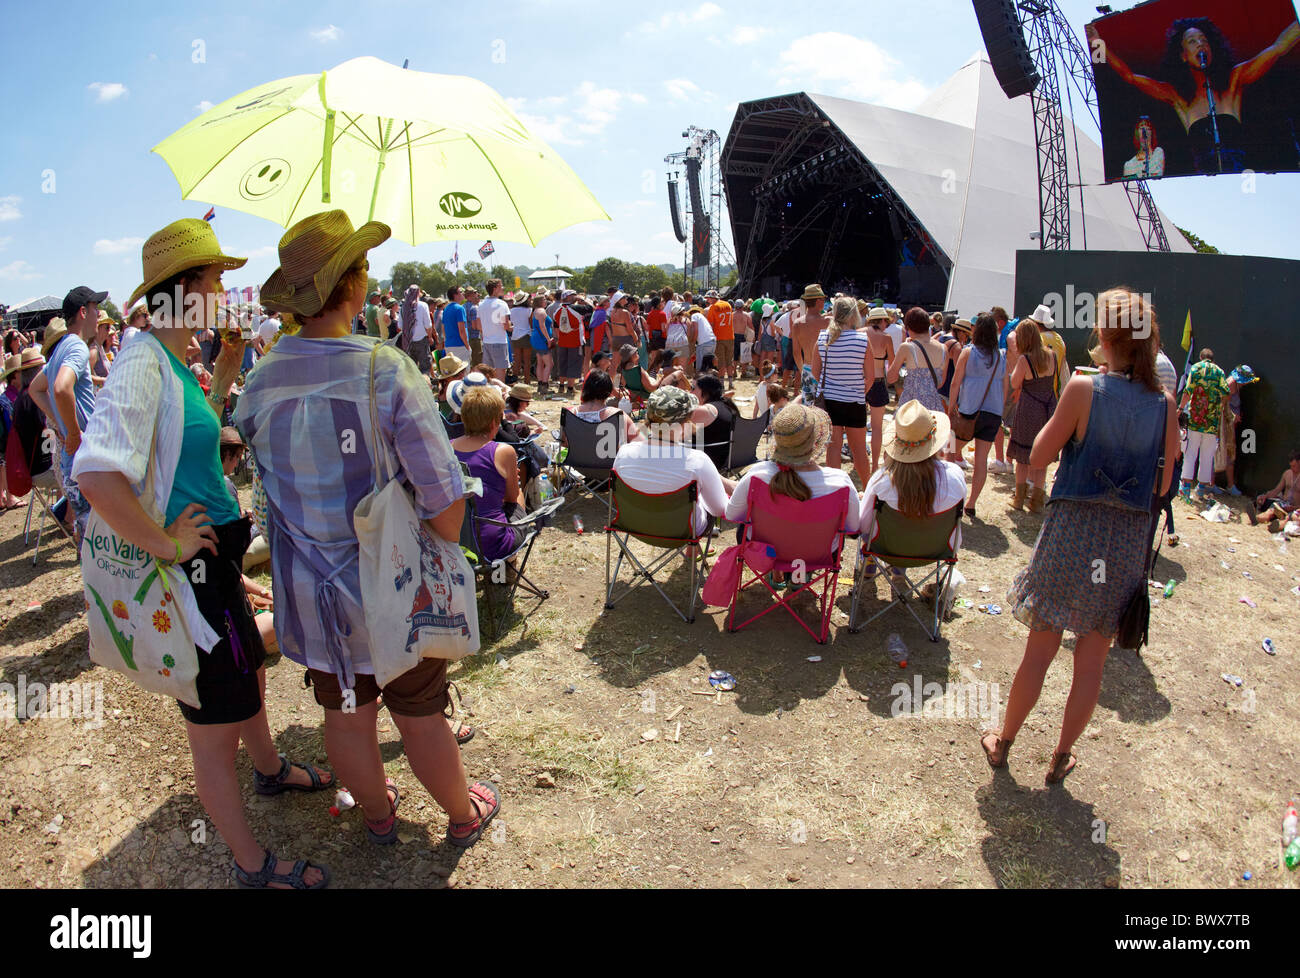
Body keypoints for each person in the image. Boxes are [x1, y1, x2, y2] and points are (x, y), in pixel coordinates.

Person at [74, 218, 335, 889]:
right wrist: (167, 543)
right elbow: (96, 472)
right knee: (214, 728)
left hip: (214, 567)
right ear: (185, 288)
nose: (224, 290)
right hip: (187, 573)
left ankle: (272, 771)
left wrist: (221, 372)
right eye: (216, 279)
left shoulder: (168, 359)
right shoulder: (138, 361)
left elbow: (189, 444)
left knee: (246, 676)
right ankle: (253, 865)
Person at [235, 209, 500, 852]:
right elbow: (444, 499)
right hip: (390, 582)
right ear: (353, 287)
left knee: (344, 712)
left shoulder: (258, 382)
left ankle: (378, 816)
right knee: (419, 708)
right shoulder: (385, 368)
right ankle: (462, 814)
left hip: (311, 595)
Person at [987, 288, 1178, 785]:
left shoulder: (1085, 389)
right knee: (1090, 664)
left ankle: (1004, 741)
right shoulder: (1165, 405)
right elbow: (1162, 485)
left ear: (1105, 338)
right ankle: (1060, 757)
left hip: (1071, 534)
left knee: (1039, 652)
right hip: (1124, 546)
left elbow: (1039, 455)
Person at [1087, 18, 1300, 174]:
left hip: (1240, 175)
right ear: (1182, 56)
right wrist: (1097, 42)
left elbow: (1279, 48)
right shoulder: (1178, 96)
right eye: (1192, 41)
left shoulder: (1233, 81)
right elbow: (1129, 76)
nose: (1200, 44)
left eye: (1204, 40)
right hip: (1205, 182)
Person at [857, 399, 966, 588]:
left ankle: (870, 565)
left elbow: (862, 524)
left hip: (885, 548)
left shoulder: (882, 481)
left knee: (877, 520)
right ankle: (899, 572)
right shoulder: (955, 476)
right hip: (936, 550)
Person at [27, 287, 107, 541]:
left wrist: (63, 427)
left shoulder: (62, 346)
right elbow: (61, 388)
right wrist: (72, 431)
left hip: (74, 459)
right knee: (99, 537)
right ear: (83, 312)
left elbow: (36, 389)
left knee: (87, 536)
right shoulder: (77, 347)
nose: (99, 315)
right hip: (86, 457)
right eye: (96, 309)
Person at [613, 385, 734, 536]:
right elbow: (719, 509)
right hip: (681, 532)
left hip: (633, 525)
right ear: (684, 424)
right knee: (701, 497)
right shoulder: (697, 460)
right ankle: (692, 553)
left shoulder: (624, 452)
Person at [727, 401, 862, 532]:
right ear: (816, 439)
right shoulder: (840, 483)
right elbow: (853, 527)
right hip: (820, 554)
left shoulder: (757, 476)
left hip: (763, 553)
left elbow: (732, 514)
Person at [452, 386, 525, 562]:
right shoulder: (502, 451)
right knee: (519, 493)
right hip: (493, 546)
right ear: (494, 423)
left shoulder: (446, 448)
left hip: (455, 543)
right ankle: (510, 561)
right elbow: (511, 498)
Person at [948, 313, 1006, 519]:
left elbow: (955, 382)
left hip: (969, 411)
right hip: (993, 413)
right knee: (981, 460)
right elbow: (1005, 386)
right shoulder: (1001, 355)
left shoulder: (968, 352)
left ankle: (950, 498)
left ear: (977, 331)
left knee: (949, 453)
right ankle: (971, 504)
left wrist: (951, 405)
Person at [811, 296, 872, 486]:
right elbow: (870, 376)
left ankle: (834, 490)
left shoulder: (823, 338)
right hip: (854, 401)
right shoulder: (862, 340)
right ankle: (869, 491)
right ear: (854, 314)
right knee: (859, 450)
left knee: (833, 448)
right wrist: (858, 391)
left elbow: (814, 371)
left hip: (829, 401)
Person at [1005, 318, 1058, 513]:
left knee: (1023, 458)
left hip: (1029, 409)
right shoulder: (1051, 355)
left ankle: (1019, 500)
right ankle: (1036, 501)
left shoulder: (1024, 360)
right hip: (1047, 408)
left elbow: (1015, 383)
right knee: (1041, 457)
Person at [1177, 347, 1229, 501]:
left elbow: (1187, 391)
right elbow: (1226, 393)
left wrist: (1180, 408)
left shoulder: (1196, 368)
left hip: (1195, 419)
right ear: (1212, 359)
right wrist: (1220, 409)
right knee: (1207, 456)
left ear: (1201, 357)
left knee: (1190, 452)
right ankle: (1201, 490)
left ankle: (1185, 488)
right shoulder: (1219, 372)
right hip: (1212, 422)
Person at [887, 307, 948, 416]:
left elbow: (891, 377)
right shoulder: (944, 348)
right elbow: (940, 383)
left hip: (911, 406)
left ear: (908, 327)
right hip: (934, 407)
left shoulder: (907, 347)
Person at [569, 369, 641, 445]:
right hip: (609, 456)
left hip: (577, 456)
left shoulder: (571, 413)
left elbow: (564, 441)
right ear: (609, 392)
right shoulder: (617, 415)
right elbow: (639, 441)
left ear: (585, 388)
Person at [792, 285, 828, 403]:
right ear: (818, 301)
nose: (824, 301)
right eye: (823, 299)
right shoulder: (828, 322)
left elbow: (796, 353)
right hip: (825, 371)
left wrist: (803, 371)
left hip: (807, 369)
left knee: (809, 408)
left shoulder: (797, 324)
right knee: (826, 409)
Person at [1250, 450, 1300, 532]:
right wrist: (1265, 496)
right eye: (1291, 466)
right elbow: (1277, 490)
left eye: (1294, 466)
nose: (1292, 468)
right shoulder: (1287, 473)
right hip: (1283, 503)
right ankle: (1256, 519)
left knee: (1289, 518)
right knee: (1270, 511)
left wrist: (1295, 508)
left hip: (1295, 508)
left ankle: (1277, 527)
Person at [553, 290, 585, 395]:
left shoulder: (557, 311)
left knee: (562, 364)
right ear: (569, 297)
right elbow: (591, 308)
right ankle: (570, 388)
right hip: (575, 341)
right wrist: (582, 299)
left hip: (562, 341)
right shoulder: (577, 309)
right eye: (574, 295)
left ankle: (561, 386)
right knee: (574, 364)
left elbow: (556, 327)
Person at [704, 291, 735, 389]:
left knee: (721, 362)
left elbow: (711, 325)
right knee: (729, 361)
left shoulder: (713, 307)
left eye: (708, 298)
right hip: (730, 336)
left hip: (719, 337)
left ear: (712, 298)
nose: (707, 300)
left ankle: (721, 383)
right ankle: (731, 382)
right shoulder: (728, 305)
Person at [529, 295, 556, 395]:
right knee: (549, 364)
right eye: (544, 299)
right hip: (541, 340)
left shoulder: (535, 311)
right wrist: (548, 339)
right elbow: (542, 326)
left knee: (540, 362)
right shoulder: (541, 311)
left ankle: (540, 384)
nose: (546, 301)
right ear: (540, 301)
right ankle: (544, 385)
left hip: (536, 339)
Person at [442, 285, 472, 365]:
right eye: (461, 292)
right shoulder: (459, 308)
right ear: (455, 295)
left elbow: (443, 329)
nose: (463, 293)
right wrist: (467, 346)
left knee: (454, 371)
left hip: (449, 345)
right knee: (463, 371)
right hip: (460, 345)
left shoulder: (446, 309)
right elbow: (462, 330)